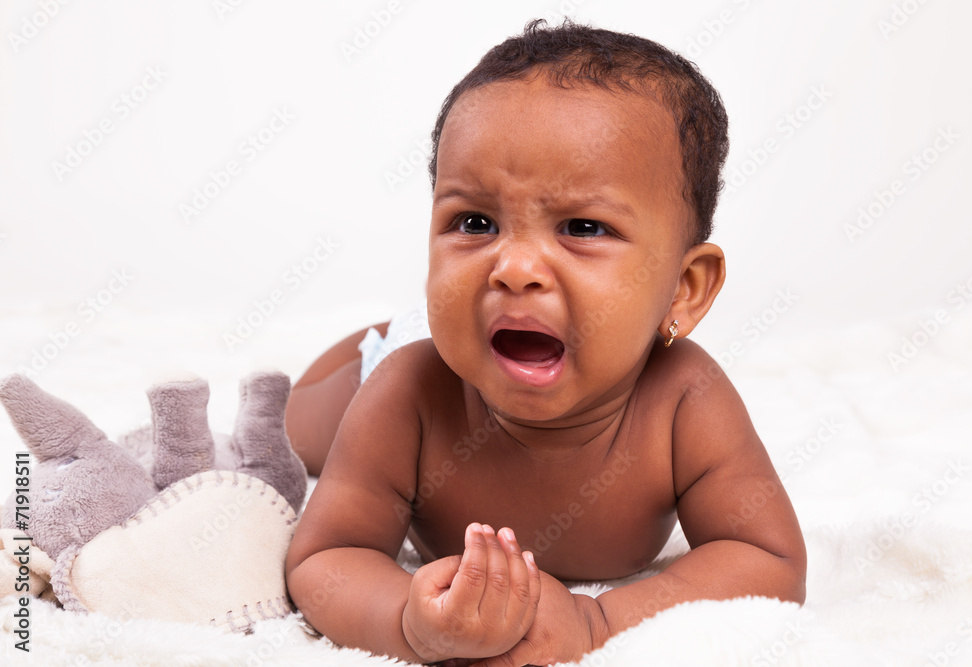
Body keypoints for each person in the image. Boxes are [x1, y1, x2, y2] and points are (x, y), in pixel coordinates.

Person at [285, 19, 806, 666]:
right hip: (411, 354)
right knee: (298, 427)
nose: (514, 266)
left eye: (583, 226)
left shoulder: (685, 400)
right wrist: (408, 622)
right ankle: (379, 335)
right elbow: (326, 557)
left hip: (493, 330)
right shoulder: (407, 392)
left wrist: (597, 620)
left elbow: (768, 559)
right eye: (474, 222)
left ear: (683, 289)